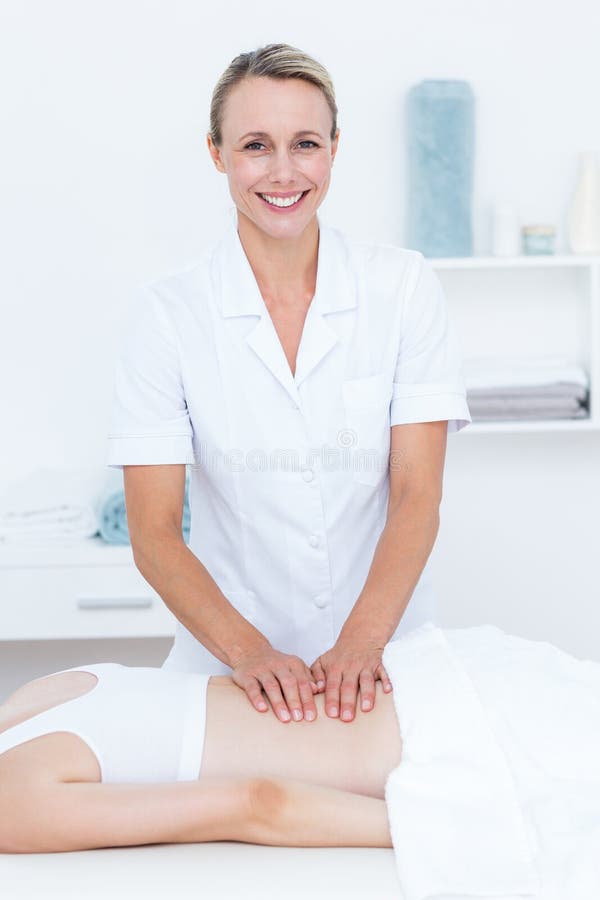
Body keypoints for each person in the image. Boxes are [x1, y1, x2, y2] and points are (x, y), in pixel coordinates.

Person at [106, 43, 471, 727]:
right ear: (216, 153)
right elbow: (154, 532)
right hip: (225, 668)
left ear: (335, 148)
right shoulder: (168, 314)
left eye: (305, 143)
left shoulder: (403, 286)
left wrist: (363, 641)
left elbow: (418, 494)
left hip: (386, 656)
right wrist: (249, 655)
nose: (282, 172)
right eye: (254, 145)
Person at [0, 658, 401, 854]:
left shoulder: (11, 797)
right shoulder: (43, 690)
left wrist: (426, 823)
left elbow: (257, 802)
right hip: (420, 674)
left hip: (422, 742)